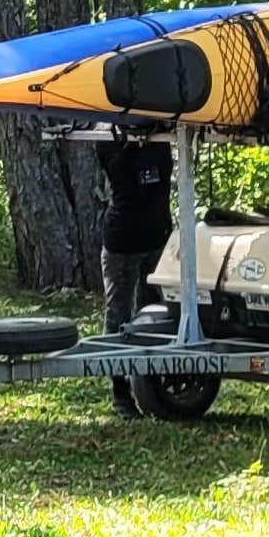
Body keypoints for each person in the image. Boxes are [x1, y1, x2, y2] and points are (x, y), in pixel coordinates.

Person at [96, 135, 173, 418]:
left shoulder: (160, 137)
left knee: (154, 315)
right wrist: (134, 142)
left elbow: (164, 174)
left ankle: (153, 388)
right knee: (118, 316)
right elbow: (120, 172)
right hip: (123, 242)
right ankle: (120, 392)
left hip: (157, 238)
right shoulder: (107, 137)